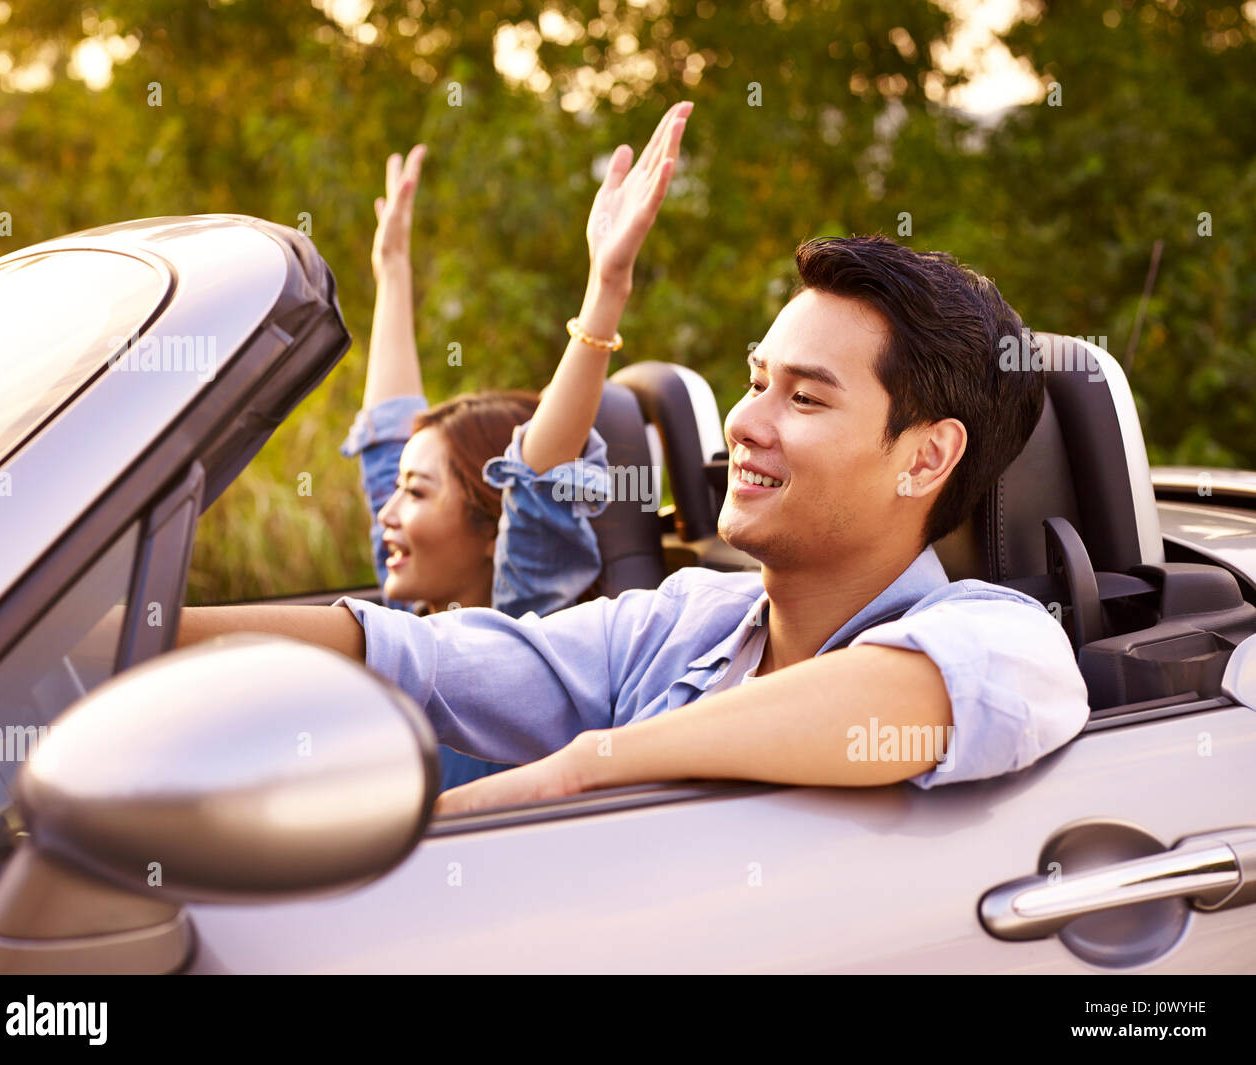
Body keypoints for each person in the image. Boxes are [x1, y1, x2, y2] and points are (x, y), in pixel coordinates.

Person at [179, 173, 1089, 818]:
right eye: (756, 381)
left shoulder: (1008, 639)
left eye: (805, 398)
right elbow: (417, 655)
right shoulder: (682, 620)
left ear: (926, 458)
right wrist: (137, 629)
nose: (746, 421)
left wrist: (582, 769)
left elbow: (907, 695)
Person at [336, 104, 693, 791]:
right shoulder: (411, 618)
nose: (387, 511)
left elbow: (539, 479)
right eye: (400, 489)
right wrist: (394, 271)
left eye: (415, 492)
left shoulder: (521, 643)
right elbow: (386, 433)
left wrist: (606, 288)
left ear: (490, 529)